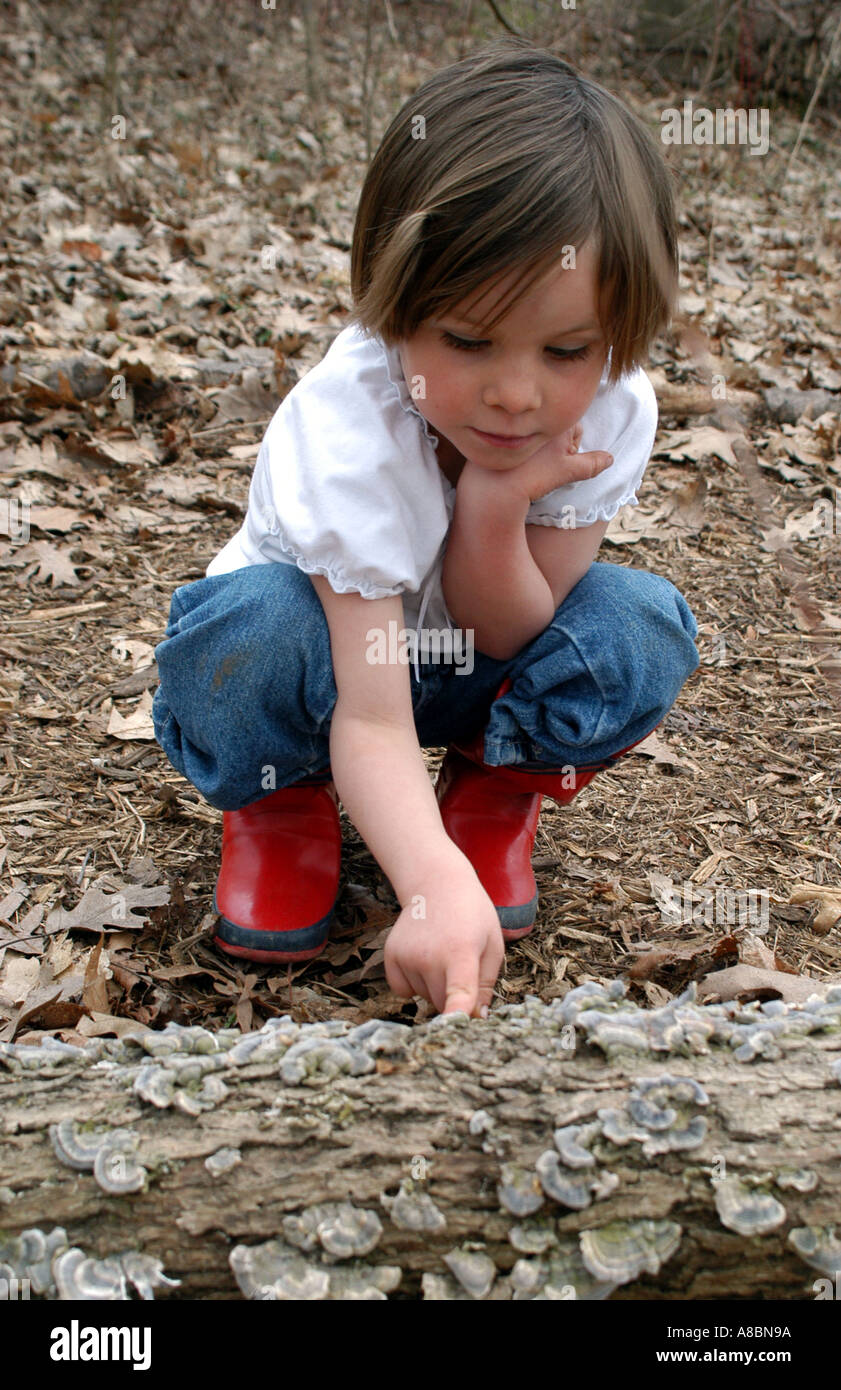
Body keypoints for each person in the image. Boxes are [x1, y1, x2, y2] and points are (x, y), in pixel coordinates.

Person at [152, 39, 700, 1022]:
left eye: (566, 348)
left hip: (456, 669)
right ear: (393, 307)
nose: (515, 393)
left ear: (615, 332)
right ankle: (279, 805)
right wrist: (425, 887)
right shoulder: (348, 424)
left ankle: (491, 796)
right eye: (465, 339)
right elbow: (369, 710)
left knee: (636, 622)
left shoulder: (610, 407)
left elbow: (507, 636)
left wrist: (494, 503)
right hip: (321, 677)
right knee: (254, 633)